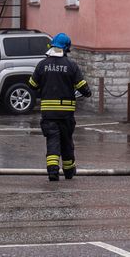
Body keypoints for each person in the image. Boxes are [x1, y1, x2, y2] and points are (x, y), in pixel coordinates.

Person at [29, 33, 91, 181]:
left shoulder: (42, 64)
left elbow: (32, 85)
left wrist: (45, 87)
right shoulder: (71, 65)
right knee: (66, 141)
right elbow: (84, 88)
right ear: (66, 48)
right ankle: (69, 172)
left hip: (48, 113)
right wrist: (85, 92)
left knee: (52, 141)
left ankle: (52, 172)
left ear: (52, 46)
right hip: (66, 114)